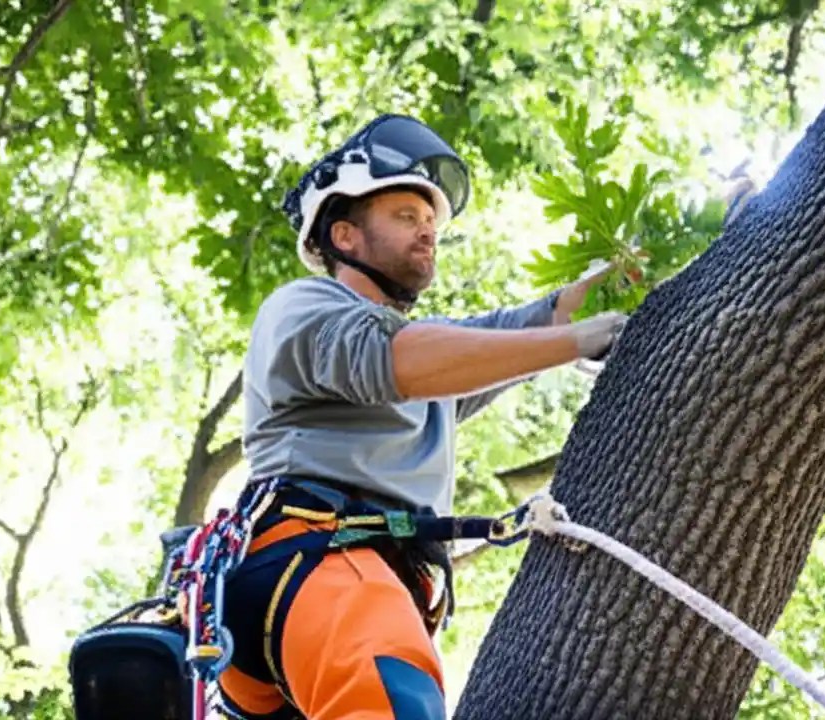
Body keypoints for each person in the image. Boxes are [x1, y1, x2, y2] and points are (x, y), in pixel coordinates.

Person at [216, 114, 628, 720]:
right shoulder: (307, 306)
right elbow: (397, 360)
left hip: (332, 598)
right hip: (326, 563)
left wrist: (647, 269)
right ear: (345, 236)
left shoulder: (437, 365)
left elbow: (536, 324)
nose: (427, 232)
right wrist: (577, 341)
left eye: (431, 222)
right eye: (406, 216)